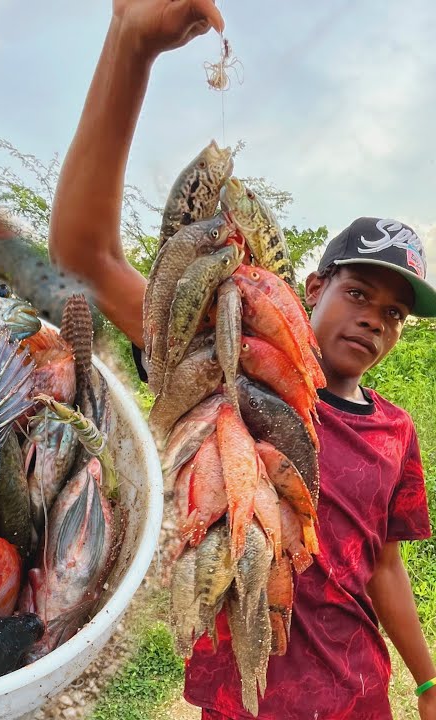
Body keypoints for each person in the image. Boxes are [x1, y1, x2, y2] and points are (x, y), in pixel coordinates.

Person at [46, 1, 436, 718]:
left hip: (361, 697)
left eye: (393, 314)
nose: (373, 320)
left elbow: (386, 566)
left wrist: (428, 678)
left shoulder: (396, 431)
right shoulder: (226, 367)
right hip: (243, 704)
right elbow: (86, 255)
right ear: (310, 288)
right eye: (358, 293)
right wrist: (129, 47)